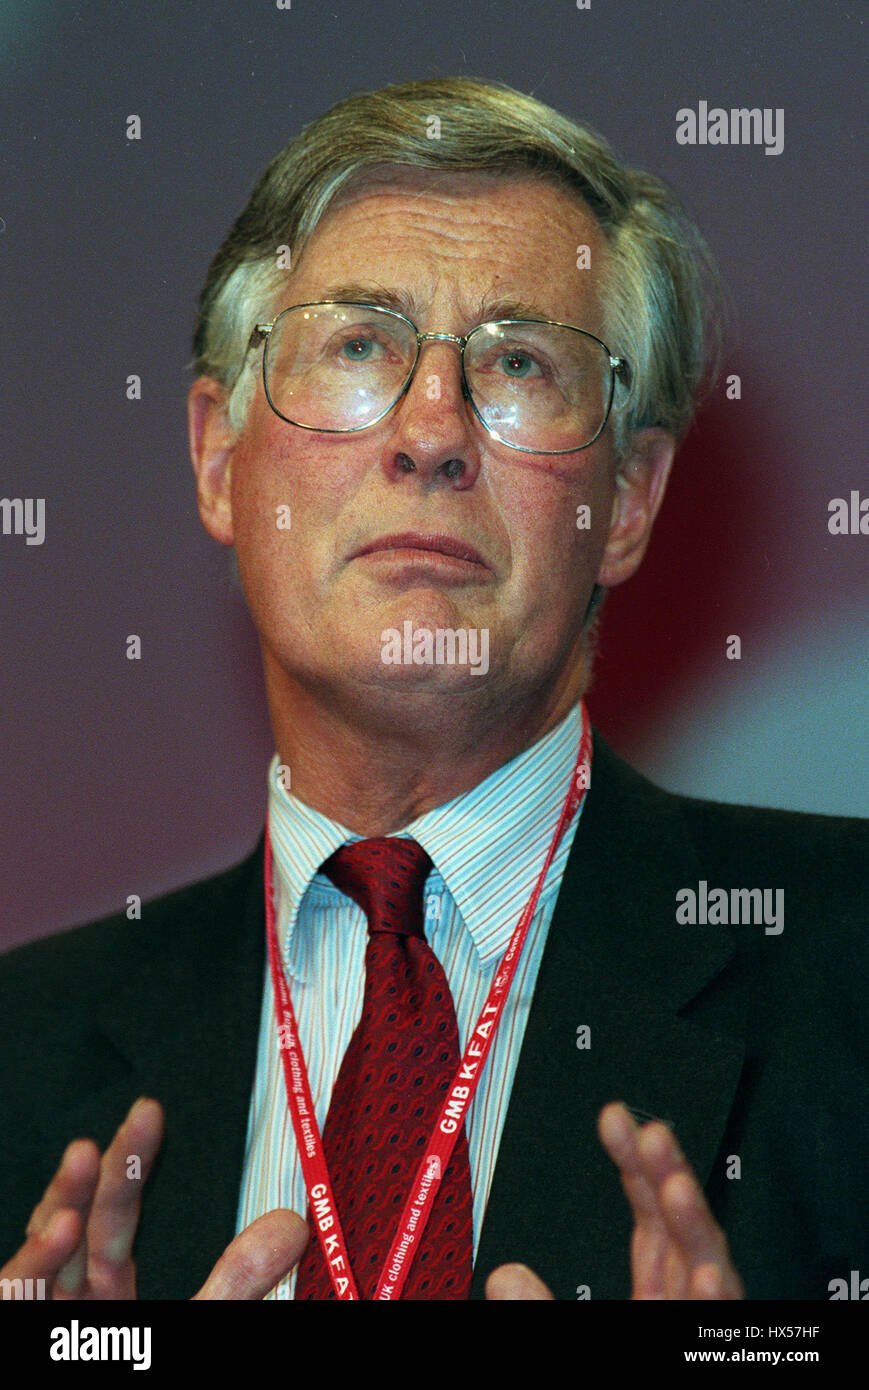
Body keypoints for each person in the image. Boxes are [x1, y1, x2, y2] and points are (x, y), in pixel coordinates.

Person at [1, 77, 865, 1303]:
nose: (431, 428)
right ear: (215, 457)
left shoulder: (841, 975)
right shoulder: (18, 1065)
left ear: (625, 500)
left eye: (518, 364)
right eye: (359, 345)